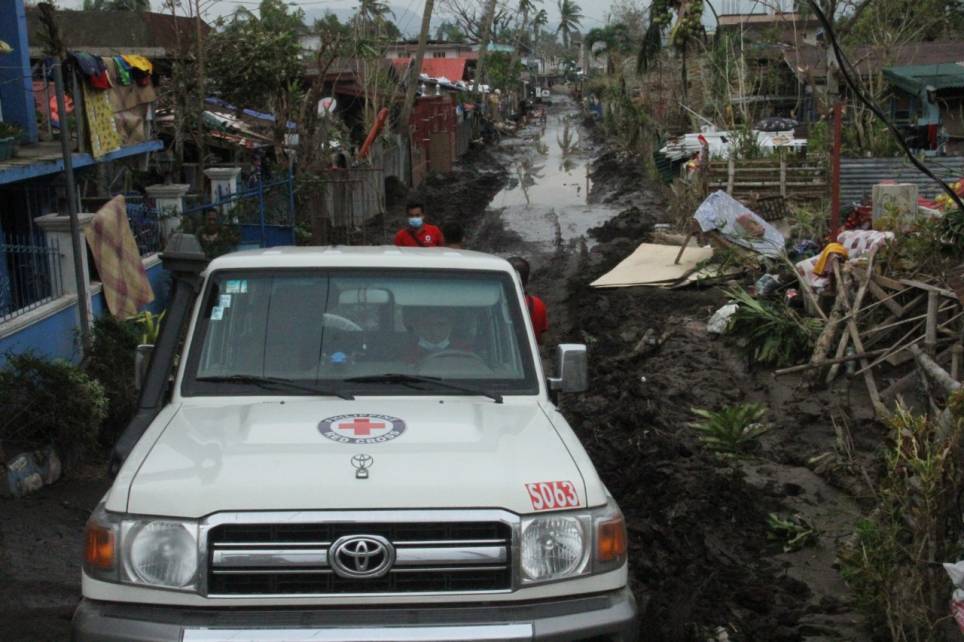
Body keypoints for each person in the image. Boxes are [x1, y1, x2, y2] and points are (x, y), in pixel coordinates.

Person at [508, 256, 548, 345]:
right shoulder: (538, 304)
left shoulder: (494, 305)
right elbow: (541, 340)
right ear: (527, 279)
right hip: (528, 356)